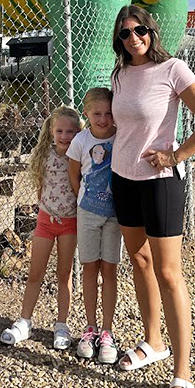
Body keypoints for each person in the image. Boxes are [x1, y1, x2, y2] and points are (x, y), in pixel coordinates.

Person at [110, 5, 195, 388]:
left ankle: (182, 375)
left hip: (160, 182)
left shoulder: (173, 69)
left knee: (169, 273)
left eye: (139, 29)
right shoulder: (120, 74)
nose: (133, 38)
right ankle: (153, 342)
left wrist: (176, 155)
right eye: (125, 33)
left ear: (151, 31)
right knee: (139, 262)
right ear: (118, 40)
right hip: (123, 179)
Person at [0, 105, 81, 350]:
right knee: (36, 272)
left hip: (70, 223)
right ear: (51, 131)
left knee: (64, 274)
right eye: (59, 131)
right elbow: (40, 187)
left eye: (70, 131)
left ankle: (62, 324)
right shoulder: (45, 155)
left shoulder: (79, 157)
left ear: (78, 132)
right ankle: (25, 321)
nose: (64, 136)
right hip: (46, 222)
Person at [66, 87, 121, 365]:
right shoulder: (80, 140)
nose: (103, 119)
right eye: (96, 113)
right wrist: (83, 200)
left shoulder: (120, 136)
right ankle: (90, 327)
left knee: (109, 269)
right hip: (88, 213)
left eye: (108, 113)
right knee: (90, 267)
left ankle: (107, 330)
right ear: (86, 113)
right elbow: (74, 174)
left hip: (114, 215)